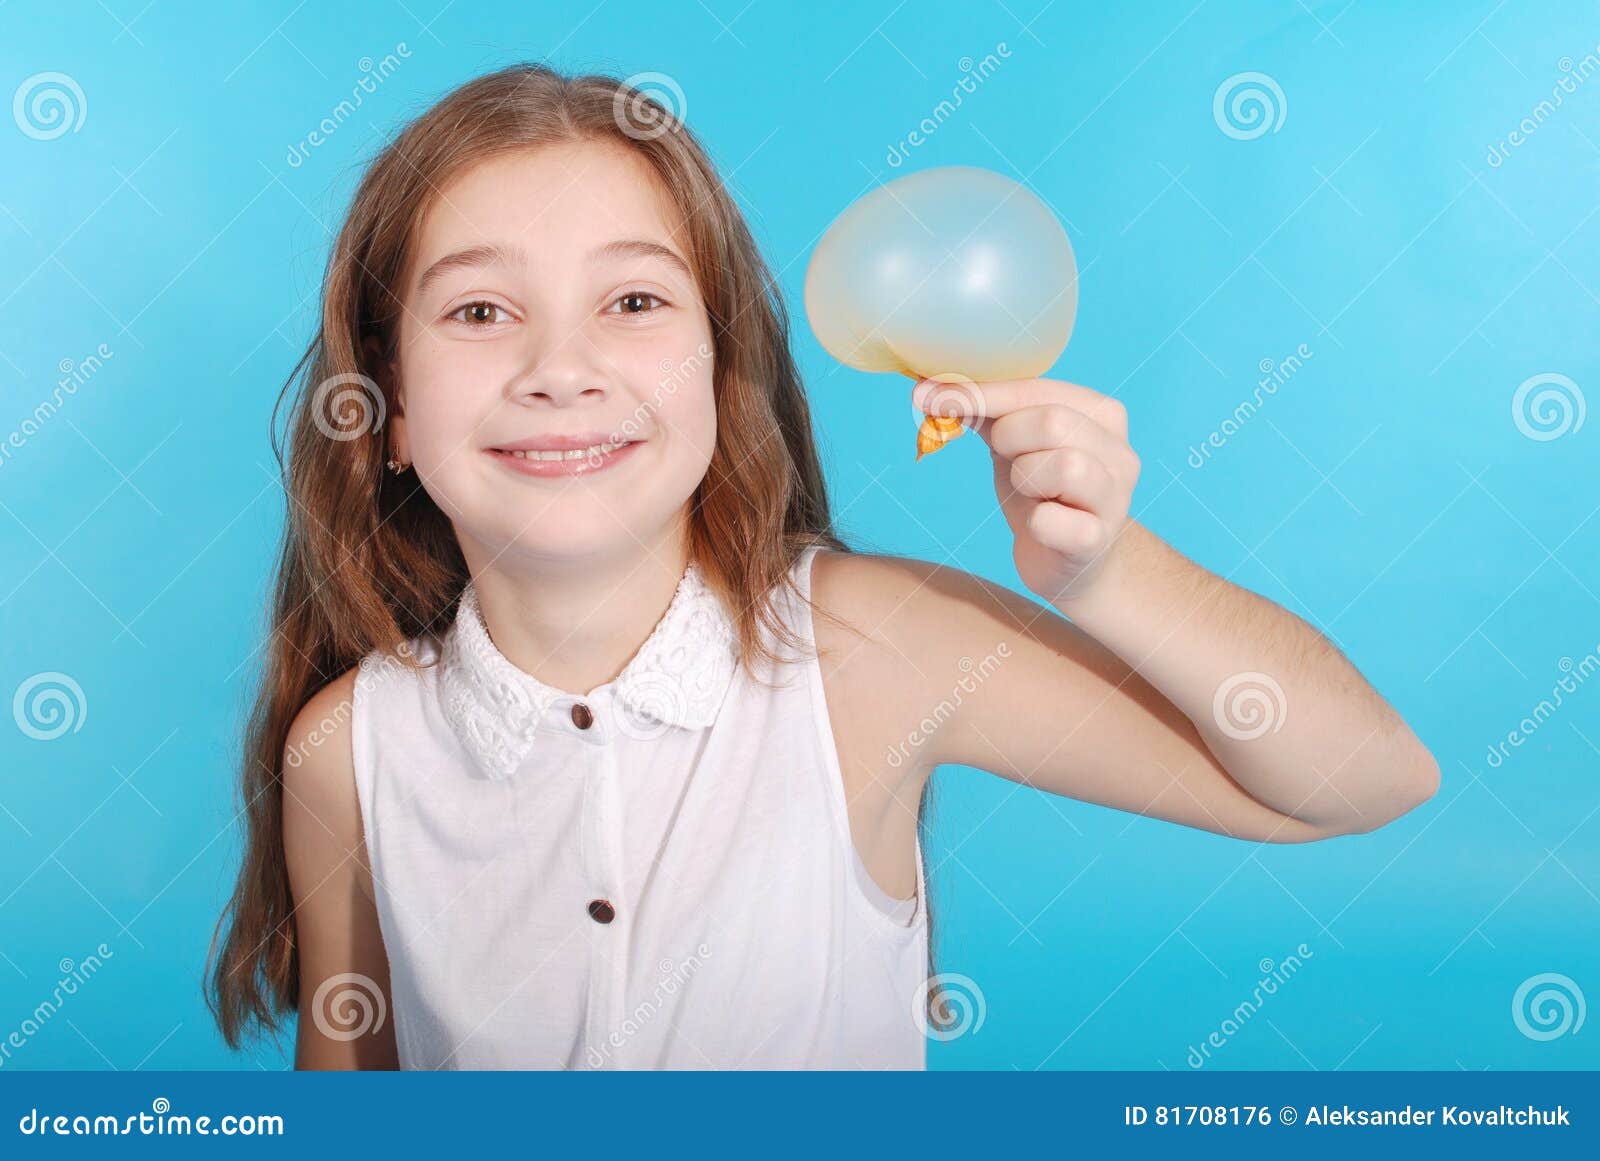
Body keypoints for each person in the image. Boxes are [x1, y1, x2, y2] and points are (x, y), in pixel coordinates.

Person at [205, 62, 1438, 1070]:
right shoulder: (346, 750)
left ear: (721, 372)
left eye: (634, 302)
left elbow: (1363, 780)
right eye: (479, 313)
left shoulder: (870, 654)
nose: (560, 366)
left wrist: (1108, 575)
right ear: (391, 408)